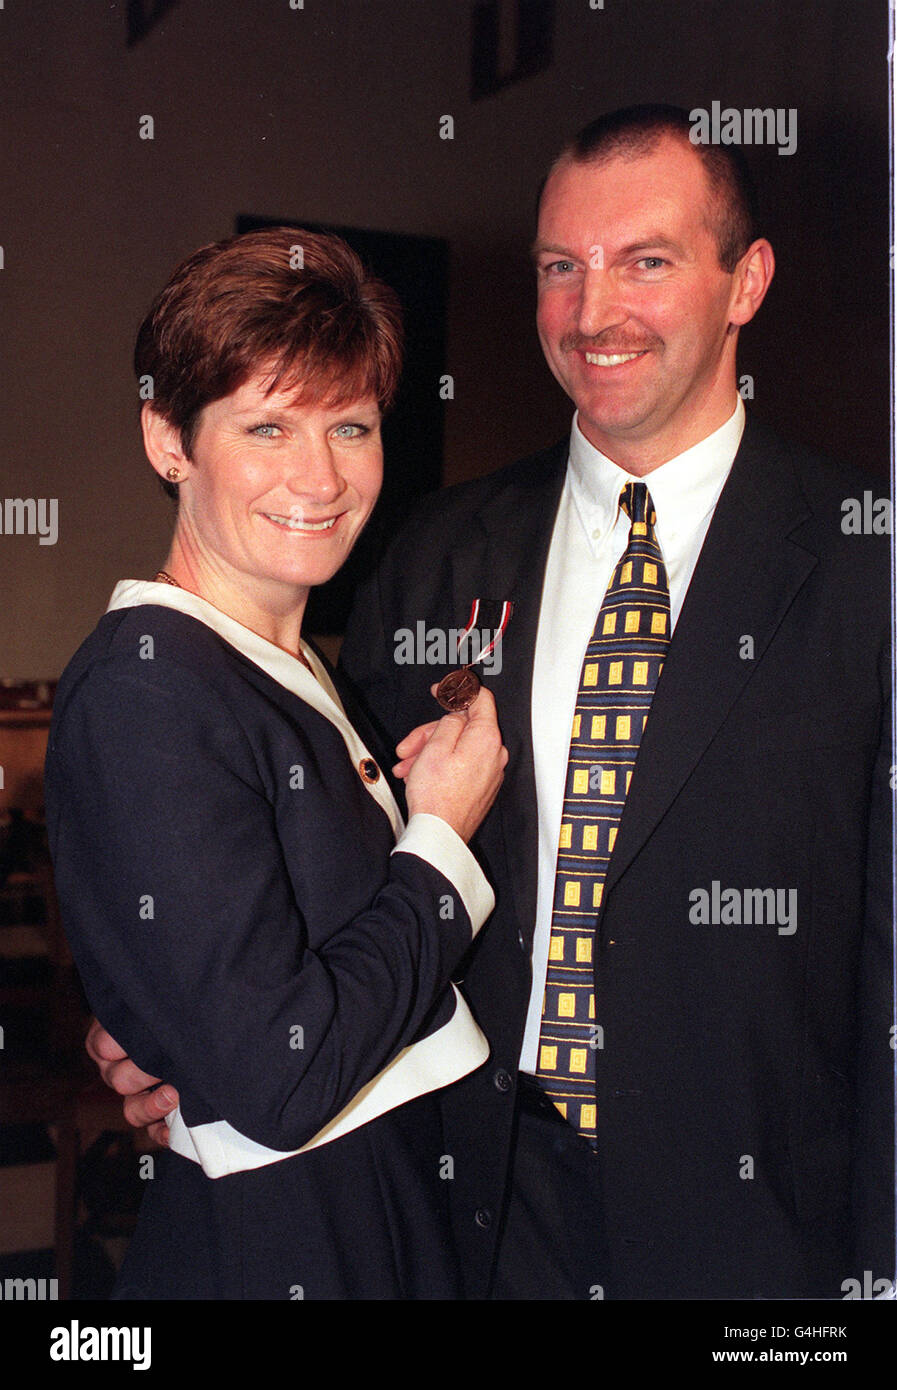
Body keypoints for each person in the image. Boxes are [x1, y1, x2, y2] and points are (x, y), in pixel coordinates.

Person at [91, 105, 894, 1300]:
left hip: (757, 1232)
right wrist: (170, 1027)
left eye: (648, 262)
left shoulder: (863, 565)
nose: (594, 310)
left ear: (747, 283)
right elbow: (317, 873)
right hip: (462, 1203)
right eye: (561, 268)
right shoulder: (433, 550)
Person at [45, 226, 508, 1299]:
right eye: (267, 426)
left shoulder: (281, 666)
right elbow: (283, 1075)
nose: (321, 475)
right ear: (168, 438)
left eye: (351, 424)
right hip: (284, 1242)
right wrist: (439, 839)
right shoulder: (146, 684)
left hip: (376, 1211)